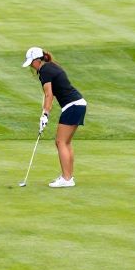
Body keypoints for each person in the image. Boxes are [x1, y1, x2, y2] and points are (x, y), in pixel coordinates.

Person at [22, 47, 87, 188]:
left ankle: (66, 178)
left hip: (72, 106)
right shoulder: (51, 66)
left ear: (37, 61)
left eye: (32, 63)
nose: (32, 67)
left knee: (60, 142)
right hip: (79, 104)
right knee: (66, 142)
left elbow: (48, 95)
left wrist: (45, 115)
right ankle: (68, 177)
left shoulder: (44, 71)